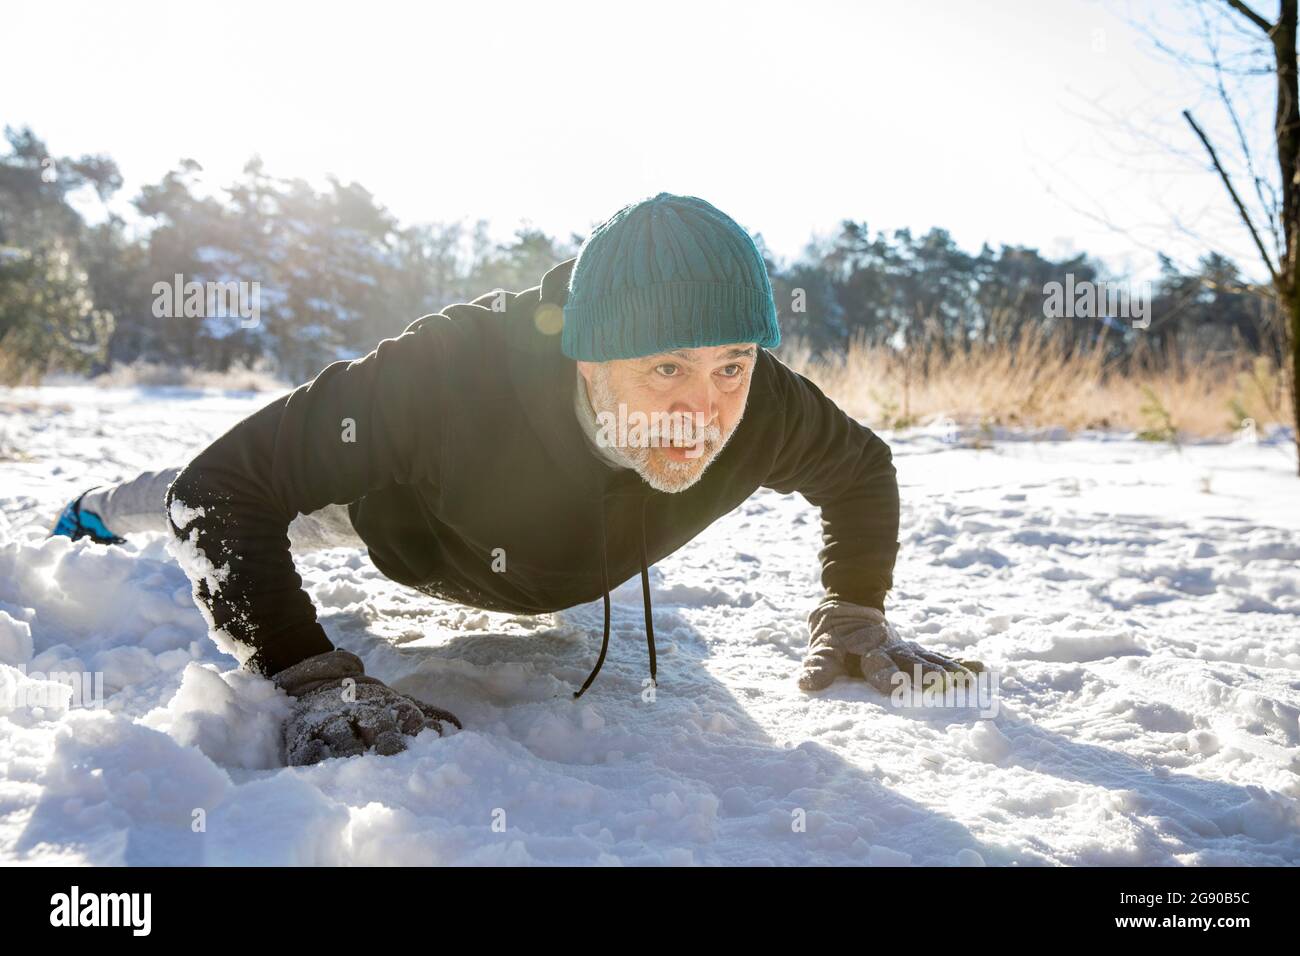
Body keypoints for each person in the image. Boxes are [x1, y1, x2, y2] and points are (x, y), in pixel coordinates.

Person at [51, 192, 981, 765]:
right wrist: (307, 674)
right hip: (402, 523)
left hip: (559, 552)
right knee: (225, 493)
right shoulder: (449, 377)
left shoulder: (760, 401)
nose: (705, 411)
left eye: (729, 365)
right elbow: (219, 490)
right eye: (665, 368)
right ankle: (94, 509)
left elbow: (862, 468)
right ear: (588, 355)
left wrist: (857, 609)